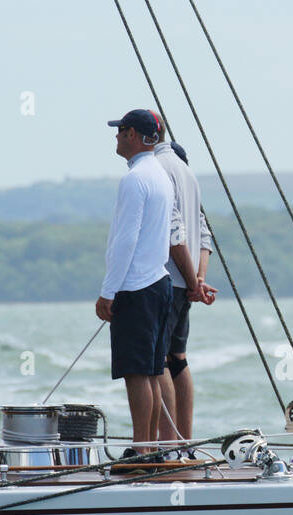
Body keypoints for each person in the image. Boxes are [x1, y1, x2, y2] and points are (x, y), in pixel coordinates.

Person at [96, 108, 175, 459]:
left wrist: (107, 292)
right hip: (159, 282)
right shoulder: (160, 174)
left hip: (137, 286)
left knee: (137, 373)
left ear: (133, 135)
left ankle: (143, 451)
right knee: (153, 371)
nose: (116, 136)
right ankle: (151, 447)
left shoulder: (134, 179)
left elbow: (125, 241)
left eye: (120, 130)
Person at [152, 133, 218, 451]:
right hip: (186, 285)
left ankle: (167, 447)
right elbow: (204, 234)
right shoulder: (190, 177)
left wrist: (194, 283)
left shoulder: (159, 170)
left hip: (165, 281)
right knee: (178, 358)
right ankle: (185, 442)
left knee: (159, 360)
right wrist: (199, 280)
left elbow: (173, 231)